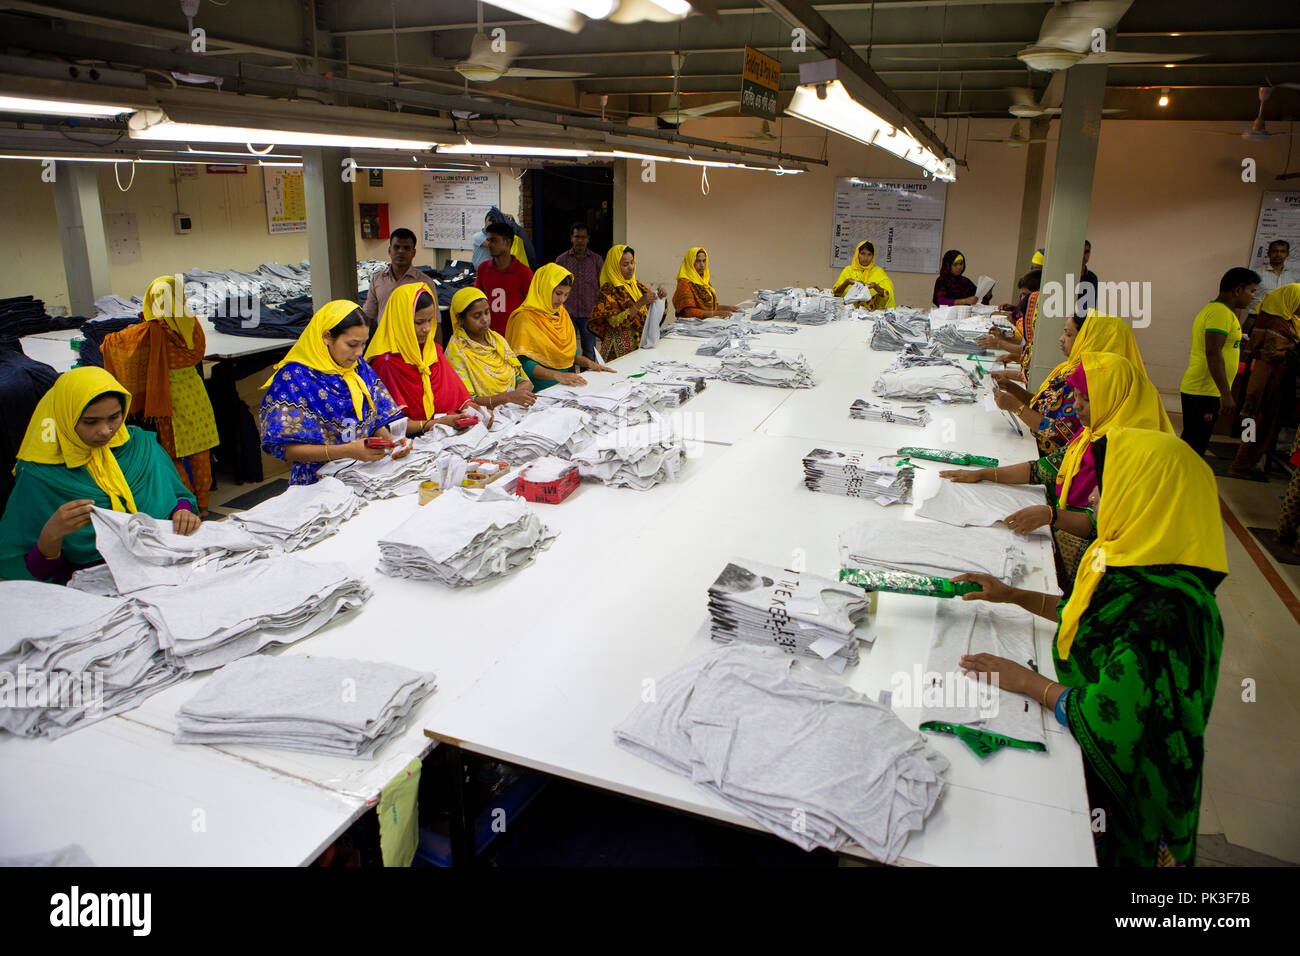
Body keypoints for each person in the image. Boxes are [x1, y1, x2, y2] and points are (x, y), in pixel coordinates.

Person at [954, 427, 1228, 867]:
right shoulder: (1137, 558)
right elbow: (1089, 622)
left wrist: (1029, 682)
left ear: (1145, 495)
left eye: (1106, 486)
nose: (1095, 497)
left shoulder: (1170, 610)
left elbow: (1109, 721)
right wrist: (1013, 596)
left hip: (1130, 794)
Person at [946, 351, 1173, 584]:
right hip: (1065, 538)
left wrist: (1050, 515)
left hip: (1095, 565)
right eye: (1075, 397)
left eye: (1086, 399)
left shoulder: (1127, 452)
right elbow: (1044, 469)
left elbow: (1099, 525)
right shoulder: (1090, 435)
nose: (1077, 407)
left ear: (1111, 398)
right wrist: (984, 474)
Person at [0, 366, 199, 583]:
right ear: (65, 417)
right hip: (94, 587)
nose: (105, 430)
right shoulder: (39, 475)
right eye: (90, 422)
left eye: (114, 417)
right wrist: (52, 535)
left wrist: (183, 511)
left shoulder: (141, 447)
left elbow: (178, 495)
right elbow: (28, 572)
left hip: (163, 567)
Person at [100, 274, 220, 516]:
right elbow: (199, 354)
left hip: (167, 395)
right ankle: (205, 503)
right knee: (200, 451)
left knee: (172, 453)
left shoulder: (152, 330)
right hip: (195, 391)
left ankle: (189, 504)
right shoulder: (193, 324)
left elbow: (115, 345)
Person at [259, 301, 406, 486]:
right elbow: (288, 448)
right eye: (352, 344)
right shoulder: (294, 378)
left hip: (363, 473)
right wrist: (347, 451)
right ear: (327, 337)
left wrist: (389, 440)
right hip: (317, 482)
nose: (359, 352)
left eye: (363, 344)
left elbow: (373, 415)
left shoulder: (357, 367)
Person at [989, 312, 1144, 459]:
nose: (1061, 339)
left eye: (1069, 335)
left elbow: (1061, 432)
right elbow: (1043, 406)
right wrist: (1011, 388)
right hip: (1033, 446)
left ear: (1091, 339)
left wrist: (1016, 406)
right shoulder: (1067, 368)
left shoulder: (1090, 380)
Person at [366, 283, 480, 434]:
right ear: (401, 321)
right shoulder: (386, 364)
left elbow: (461, 398)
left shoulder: (432, 352)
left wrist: (477, 412)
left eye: (429, 320)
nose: (426, 328)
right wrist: (436, 423)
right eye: (418, 322)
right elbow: (392, 426)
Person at [1177, 267, 1260, 458]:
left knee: (1194, 443)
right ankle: (1181, 481)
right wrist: (1225, 393)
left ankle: (1182, 480)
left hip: (1205, 389)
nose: (1253, 296)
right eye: (1252, 291)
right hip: (1204, 390)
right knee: (1194, 446)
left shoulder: (1222, 312)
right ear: (1238, 290)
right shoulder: (1219, 313)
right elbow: (1213, 352)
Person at [505, 264, 615, 391]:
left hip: (564, 388)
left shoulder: (562, 314)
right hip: (539, 392)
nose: (562, 299)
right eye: (558, 293)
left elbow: (568, 354)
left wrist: (590, 363)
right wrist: (558, 375)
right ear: (544, 288)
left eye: (566, 294)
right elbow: (523, 365)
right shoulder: (524, 319)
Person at [1231, 283, 1300, 478]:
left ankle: (1246, 461)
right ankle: (1242, 464)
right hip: (1268, 379)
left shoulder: (1278, 317)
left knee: (1252, 420)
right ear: (1291, 299)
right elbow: (1271, 353)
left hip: (1263, 377)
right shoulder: (1277, 322)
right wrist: (1292, 351)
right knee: (1258, 422)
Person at [444, 288, 537, 410]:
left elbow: (521, 378)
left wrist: (520, 391)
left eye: (487, 312)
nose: (485, 319)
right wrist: (508, 397)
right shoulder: (456, 352)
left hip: (513, 411)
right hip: (486, 418)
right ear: (460, 319)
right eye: (477, 316)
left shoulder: (497, 341)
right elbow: (467, 401)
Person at [587, 245, 668, 362]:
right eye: (625, 264)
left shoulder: (637, 286)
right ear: (614, 266)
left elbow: (654, 313)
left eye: (632, 263)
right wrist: (638, 304)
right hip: (618, 352)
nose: (630, 268)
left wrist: (661, 298)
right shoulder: (608, 290)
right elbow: (614, 322)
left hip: (641, 346)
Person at [554, 222, 603, 362]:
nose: (580, 241)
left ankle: (588, 381)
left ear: (588, 239)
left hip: (589, 314)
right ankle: (569, 379)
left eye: (583, 237)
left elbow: (602, 287)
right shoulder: (561, 261)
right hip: (566, 314)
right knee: (568, 351)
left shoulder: (596, 260)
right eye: (577, 237)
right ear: (571, 238)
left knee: (589, 352)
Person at [475, 221, 534, 336]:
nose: (489, 245)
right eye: (489, 240)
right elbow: (477, 300)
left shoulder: (523, 272)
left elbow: (531, 309)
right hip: (488, 336)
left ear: (507, 242)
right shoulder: (483, 268)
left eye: (494, 240)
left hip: (515, 337)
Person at [361, 228, 425, 330]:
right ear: (389, 251)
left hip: (413, 342)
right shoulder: (377, 280)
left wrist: (437, 346)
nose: (401, 251)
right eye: (396, 247)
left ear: (413, 253)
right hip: (383, 342)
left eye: (406, 248)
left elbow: (436, 322)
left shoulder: (424, 283)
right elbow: (368, 315)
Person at [983, 270, 1041, 364]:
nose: (1022, 298)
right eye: (1022, 294)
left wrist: (999, 343)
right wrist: (1002, 337)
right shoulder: (1031, 315)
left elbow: (1030, 351)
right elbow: (1023, 342)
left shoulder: (1039, 320)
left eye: (1026, 294)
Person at [672, 247, 739, 319]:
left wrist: (729, 308)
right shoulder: (684, 283)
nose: (702, 265)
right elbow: (689, 312)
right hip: (691, 326)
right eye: (698, 261)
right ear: (690, 263)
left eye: (704, 261)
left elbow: (711, 308)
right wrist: (715, 313)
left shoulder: (703, 281)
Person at [832, 240, 895, 309]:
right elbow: (836, 294)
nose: (866, 258)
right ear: (857, 254)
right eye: (863, 253)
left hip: (869, 315)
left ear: (873, 256)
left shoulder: (878, 272)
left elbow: (887, 296)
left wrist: (875, 287)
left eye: (869, 254)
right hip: (847, 313)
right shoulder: (848, 270)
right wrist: (846, 283)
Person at [471, 207, 535, 271]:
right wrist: (505, 222)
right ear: (486, 220)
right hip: (481, 271)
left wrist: (510, 221)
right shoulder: (478, 236)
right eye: (491, 222)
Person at [1250, 239, 1300, 313]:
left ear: (1287, 254)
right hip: (1257, 318)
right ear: (1268, 253)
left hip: (1284, 321)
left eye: (1282, 251)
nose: (1278, 254)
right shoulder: (1255, 273)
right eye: (1275, 251)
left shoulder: (1295, 276)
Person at [1076, 240, 1098, 318]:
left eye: (1086, 252)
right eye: (1081, 252)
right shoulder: (1068, 274)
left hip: (1082, 320)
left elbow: (1091, 307)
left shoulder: (1092, 277)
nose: (1083, 255)